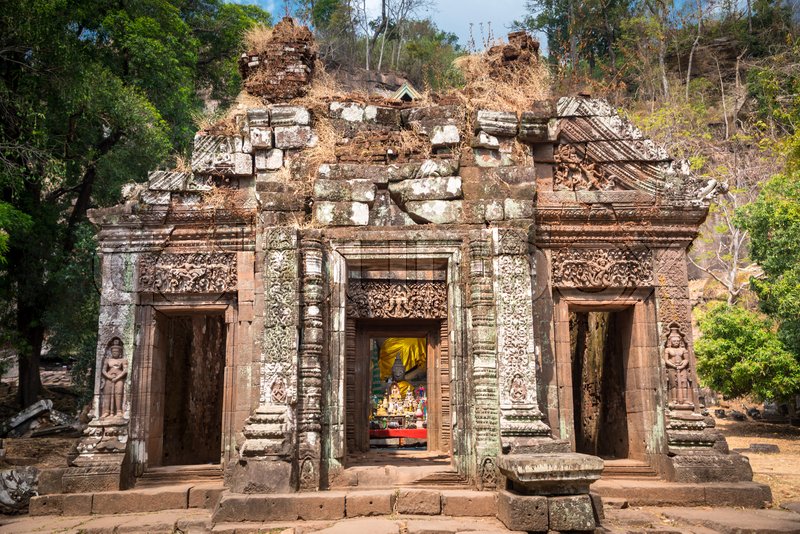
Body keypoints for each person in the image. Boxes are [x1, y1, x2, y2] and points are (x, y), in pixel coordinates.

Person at [101, 338, 127, 418]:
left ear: (120, 352)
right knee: (107, 394)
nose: (115, 353)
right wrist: (109, 376)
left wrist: (117, 378)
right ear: (111, 352)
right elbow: (103, 370)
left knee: (118, 393)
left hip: (119, 378)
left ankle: (119, 411)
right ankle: (107, 411)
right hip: (109, 378)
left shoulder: (123, 360)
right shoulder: (107, 360)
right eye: (113, 351)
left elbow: (125, 370)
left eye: (117, 351)